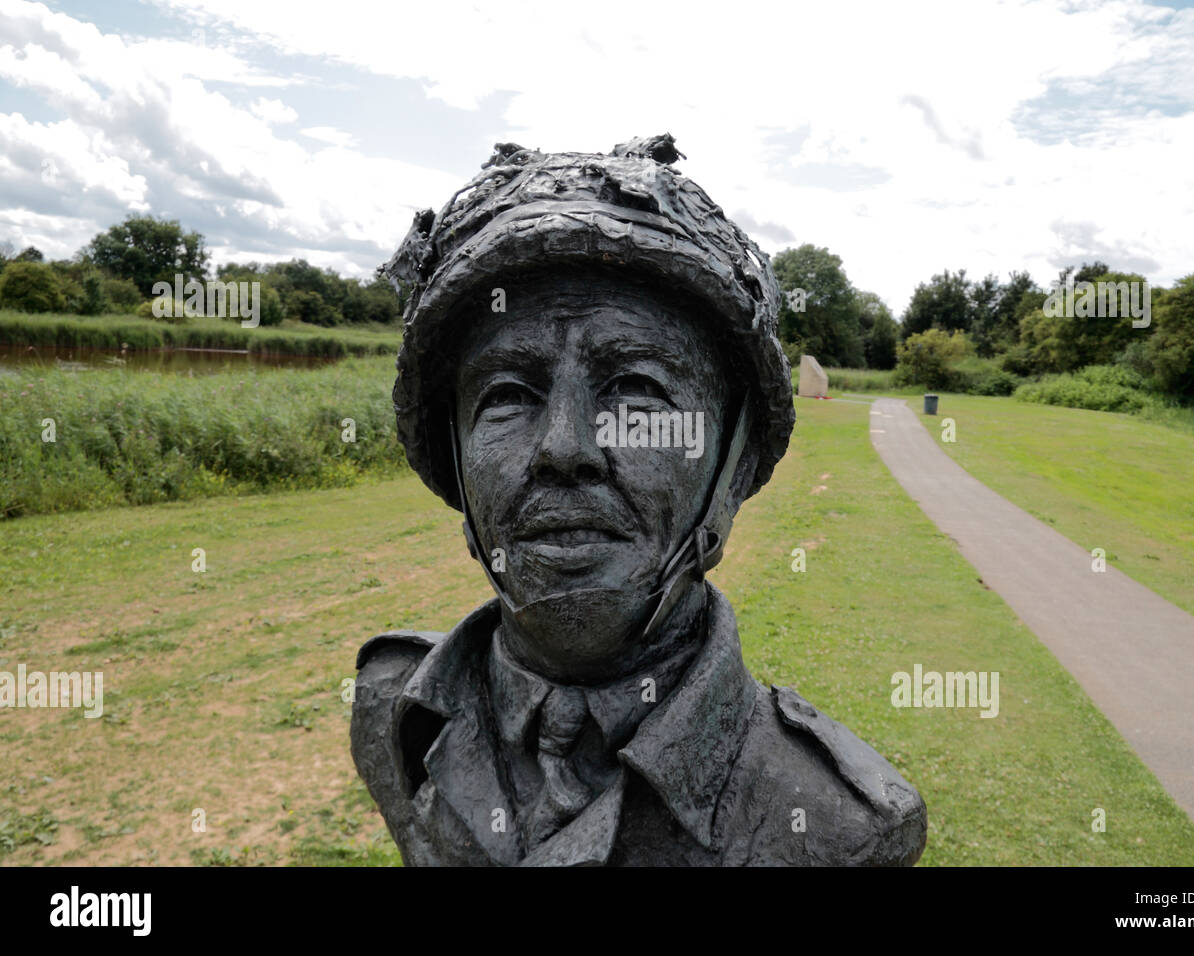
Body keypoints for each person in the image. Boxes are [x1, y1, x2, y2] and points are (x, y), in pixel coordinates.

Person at [350, 134, 926, 866]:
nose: (564, 448)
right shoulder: (390, 707)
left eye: (637, 390)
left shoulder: (841, 825)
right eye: (506, 396)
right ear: (453, 456)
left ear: (735, 458)